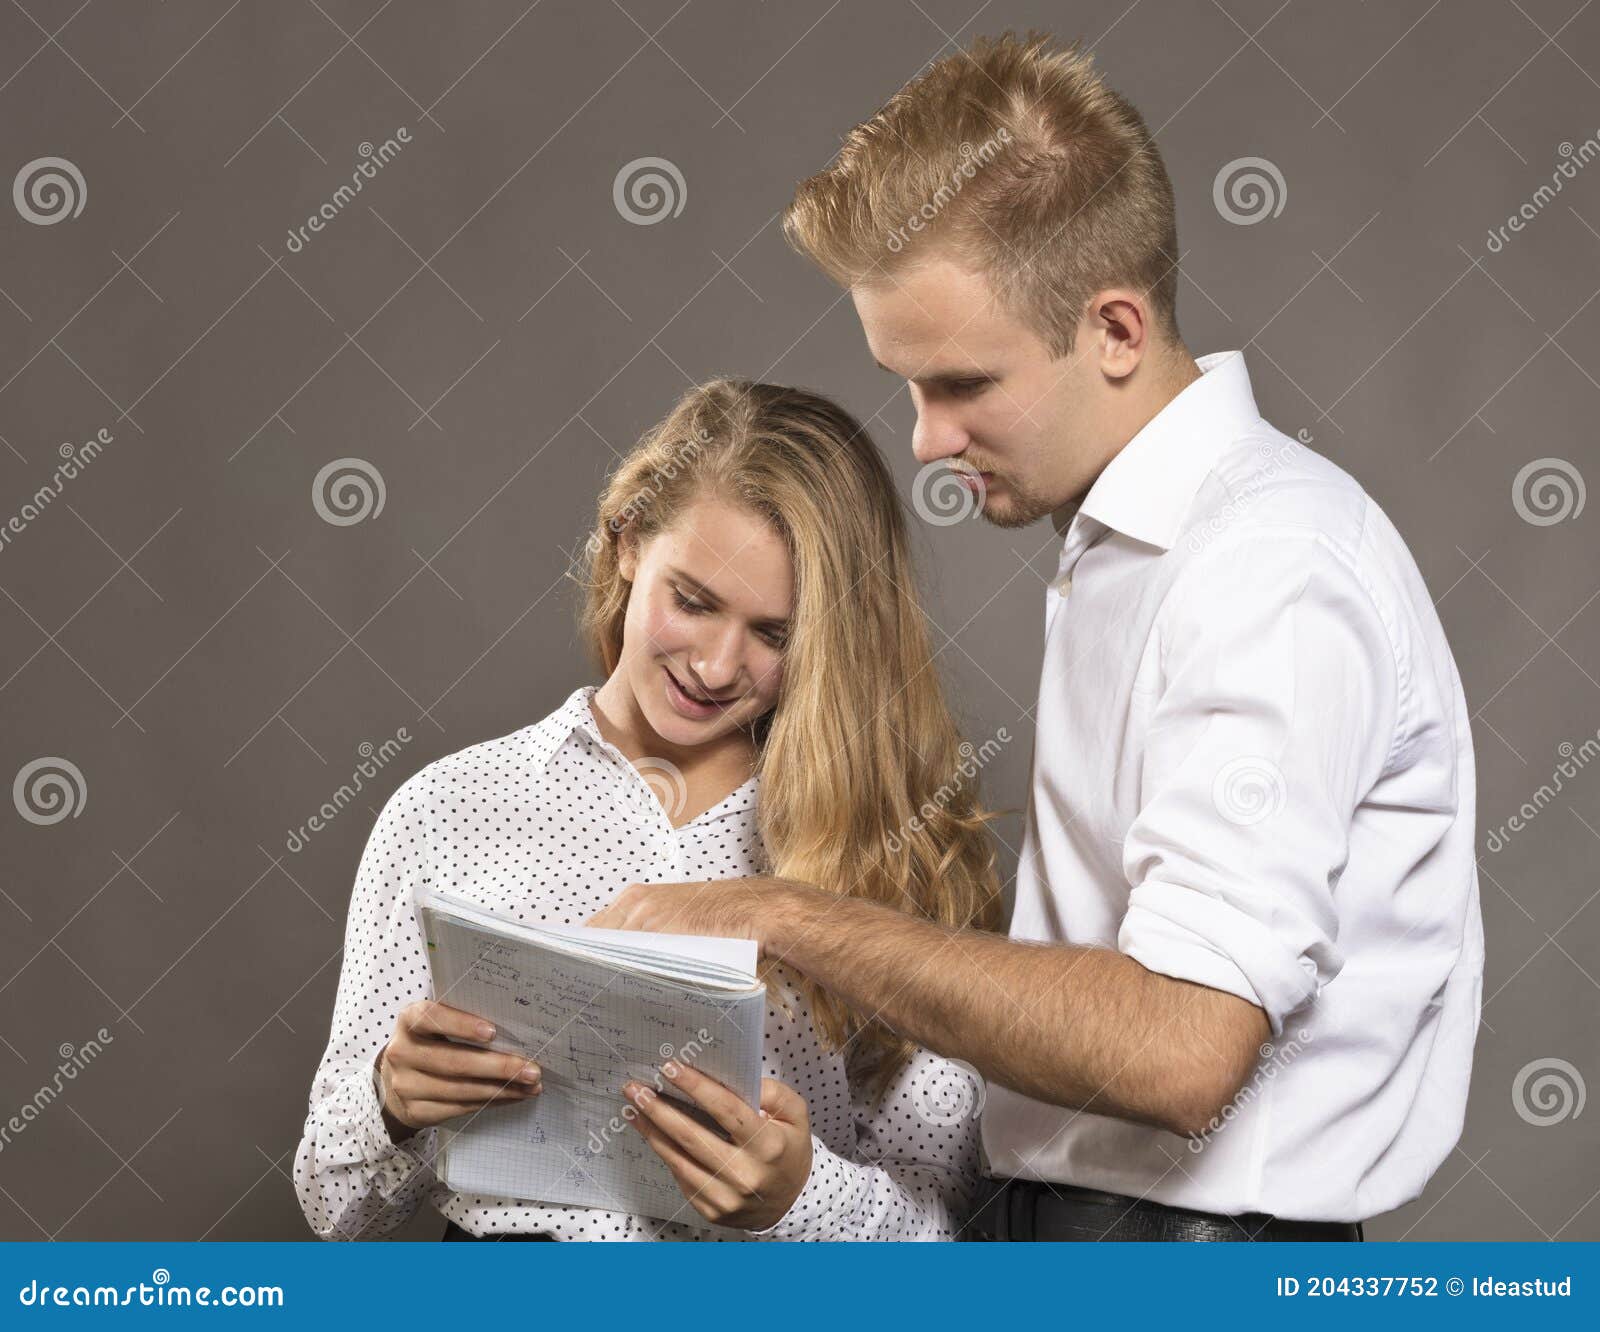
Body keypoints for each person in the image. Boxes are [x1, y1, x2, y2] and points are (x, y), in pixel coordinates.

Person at [589, 32, 1485, 1241]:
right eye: (908, 388)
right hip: (1066, 1233)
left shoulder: (1267, 567)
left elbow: (1178, 1050)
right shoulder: (1131, 544)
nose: (924, 441)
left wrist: (783, 915)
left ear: (1114, 330)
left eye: (960, 385)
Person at [293, 377, 1003, 1240]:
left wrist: (799, 1199)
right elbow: (334, 1203)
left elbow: (950, 1226)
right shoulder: (448, 809)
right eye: (694, 602)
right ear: (626, 542)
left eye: (775, 634)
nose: (714, 665)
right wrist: (392, 1103)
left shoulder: (884, 848)